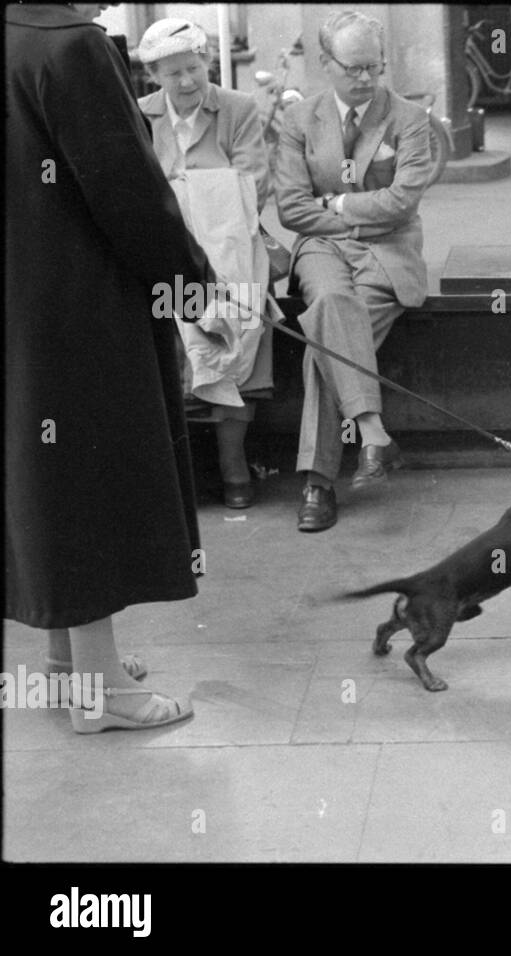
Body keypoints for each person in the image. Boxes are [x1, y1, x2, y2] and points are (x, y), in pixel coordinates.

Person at [5, 3, 216, 731]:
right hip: (80, 305)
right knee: (90, 484)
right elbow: (128, 189)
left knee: (48, 478)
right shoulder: (72, 49)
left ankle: (72, 664)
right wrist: (194, 282)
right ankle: (104, 696)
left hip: (20, 303)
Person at [274, 9, 435, 532]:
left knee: (327, 329)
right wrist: (353, 215)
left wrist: (339, 207)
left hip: (388, 254)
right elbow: (291, 209)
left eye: (375, 67)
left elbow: (403, 201)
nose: (366, 78)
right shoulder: (298, 120)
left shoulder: (410, 119)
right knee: (333, 305)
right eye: (354, 68)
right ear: (326, 64)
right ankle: (373, 432)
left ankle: (318, 485)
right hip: (322, 249)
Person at [137, 17, 276, 510]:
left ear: (208, 64)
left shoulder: (237, 109)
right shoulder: (140, 115)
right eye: (173, 73)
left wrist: (183, 193)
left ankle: (234, 466)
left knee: (239, 330)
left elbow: (255, 182)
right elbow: (132, 190)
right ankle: (180, 475)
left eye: (194, 68)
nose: (188, 81)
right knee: (168, 337)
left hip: (233, 250)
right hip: (167, 256)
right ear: (154, 75)